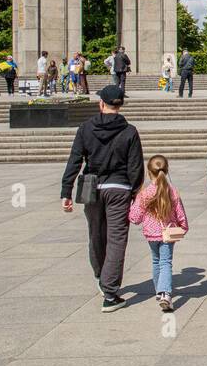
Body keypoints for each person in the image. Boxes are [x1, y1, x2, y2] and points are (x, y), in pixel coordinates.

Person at [60, 84, 144, 312]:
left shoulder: (86, 128)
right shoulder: (129, 131)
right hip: (119, 187)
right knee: (117, 238)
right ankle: (110, 291)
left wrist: (66, 191)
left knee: (96, 233)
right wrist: (135, 192)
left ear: (101, 104)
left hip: (91, 186)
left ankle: (100, 275)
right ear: (121, 105)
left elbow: (75, 160)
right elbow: (135, 166)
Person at [129, 154, 189, 313]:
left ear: (149, 173)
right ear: (166, 170)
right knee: (166, 262)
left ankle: (159, 291)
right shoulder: (172, 191)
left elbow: (134, 218)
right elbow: (180, 213)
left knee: (156, 261)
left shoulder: (144, 193)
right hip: (168, 233)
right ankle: (166, 293)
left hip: (151, 234)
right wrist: (183, 227)